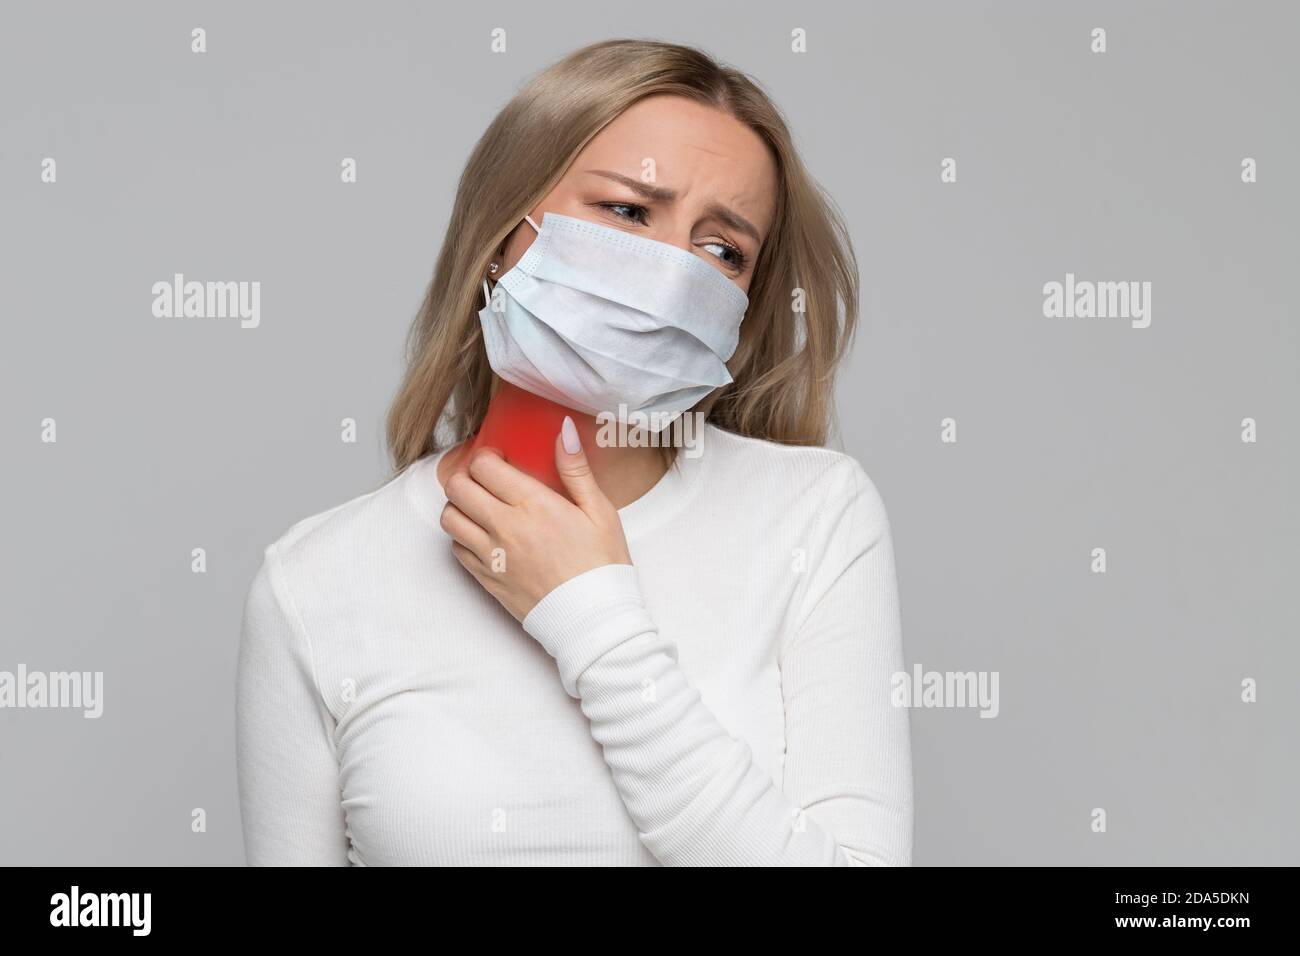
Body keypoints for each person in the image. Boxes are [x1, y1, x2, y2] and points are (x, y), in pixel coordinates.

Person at [236, 38, 912, 866]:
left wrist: (592, 614)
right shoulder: (317, 579)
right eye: (628, 212)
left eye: (722, 249)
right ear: (502, 231)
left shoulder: (814, 517)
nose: (670, 273)